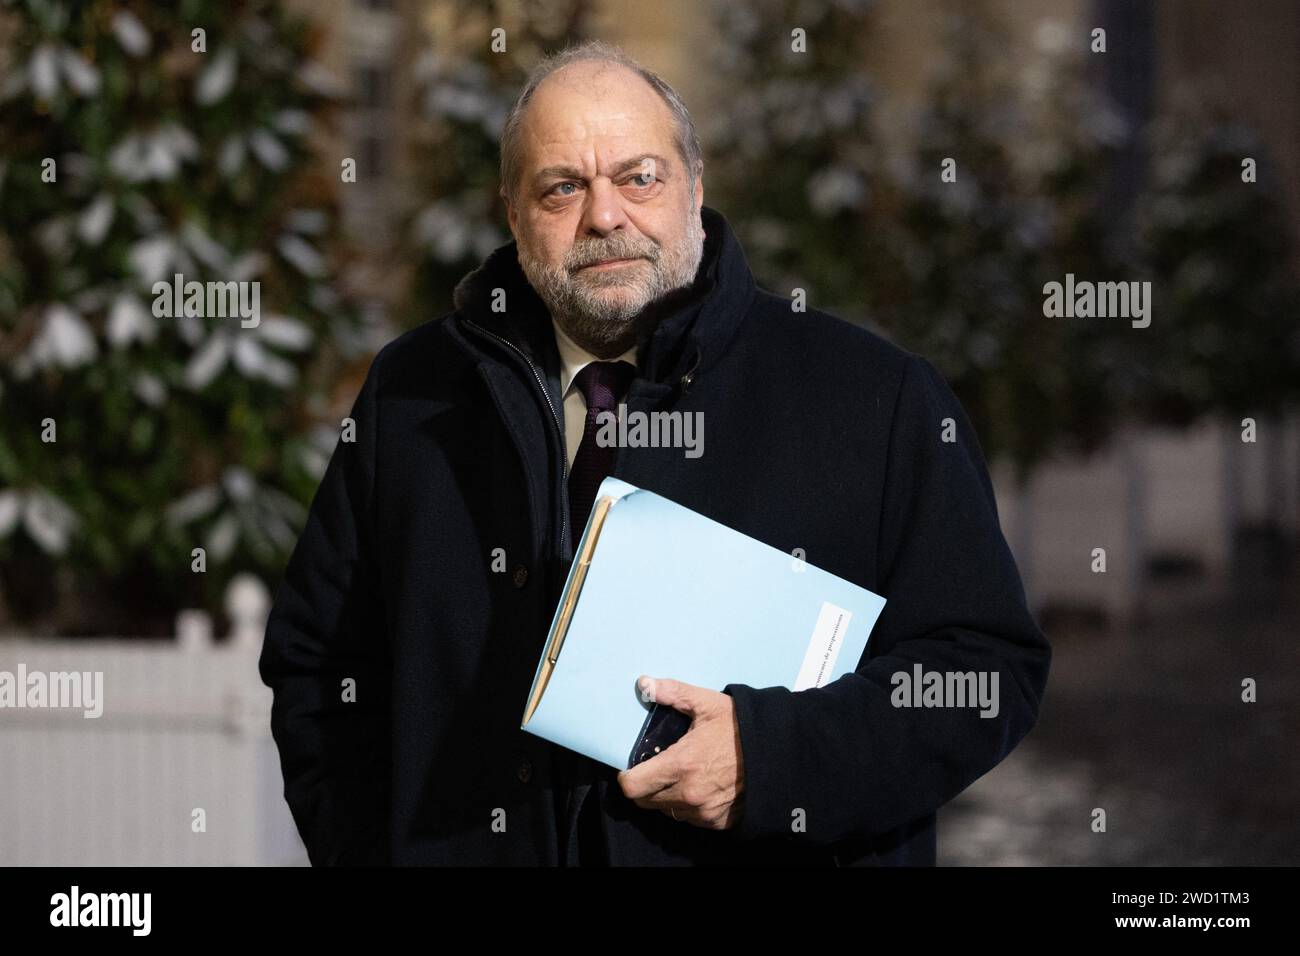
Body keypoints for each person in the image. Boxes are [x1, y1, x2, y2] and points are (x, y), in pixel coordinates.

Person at [258, 39, 1051, 866]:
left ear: (696, 188)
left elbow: (984, 673)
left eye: (639, 177)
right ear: (513, 212)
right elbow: (319, 668)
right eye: (562, 187)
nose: (604, 216)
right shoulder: (413, 395)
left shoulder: (874, 399)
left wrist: (774, 759)